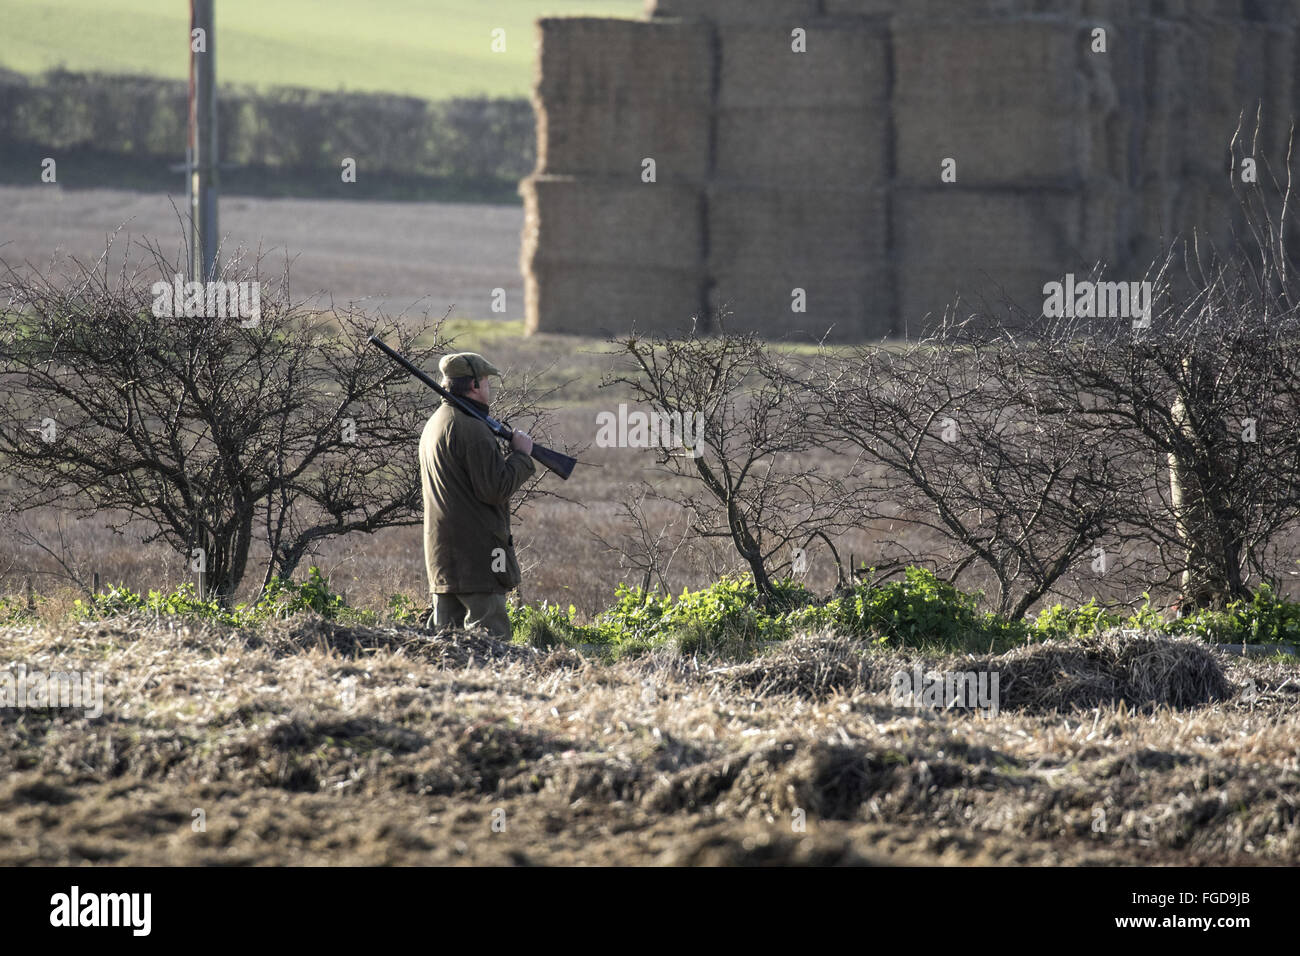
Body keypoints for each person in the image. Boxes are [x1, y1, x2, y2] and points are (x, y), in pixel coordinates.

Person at [419, 352, 534, 638]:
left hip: (443, 558)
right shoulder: (472, 429)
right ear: (473, 386)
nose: (489, 388)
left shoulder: (435, 424)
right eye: (486, 382)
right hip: (478, 559)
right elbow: (495, 489)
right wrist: (521, 455)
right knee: (490, 643)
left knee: (445, 648)